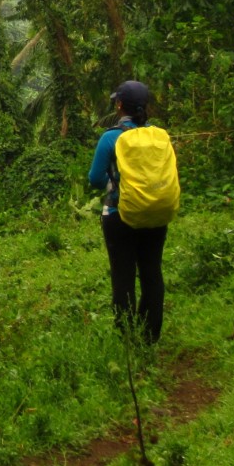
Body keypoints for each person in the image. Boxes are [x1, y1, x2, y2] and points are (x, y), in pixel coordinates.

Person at [89, 80, 168, 342]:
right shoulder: (157, 135)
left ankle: (126, 338)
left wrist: (114, 186)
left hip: (119, 216)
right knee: (152, 273)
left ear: (120, 105)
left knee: (123, 276)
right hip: (156, 214)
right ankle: (151, 336)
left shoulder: (111, 137)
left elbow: (95, 178)